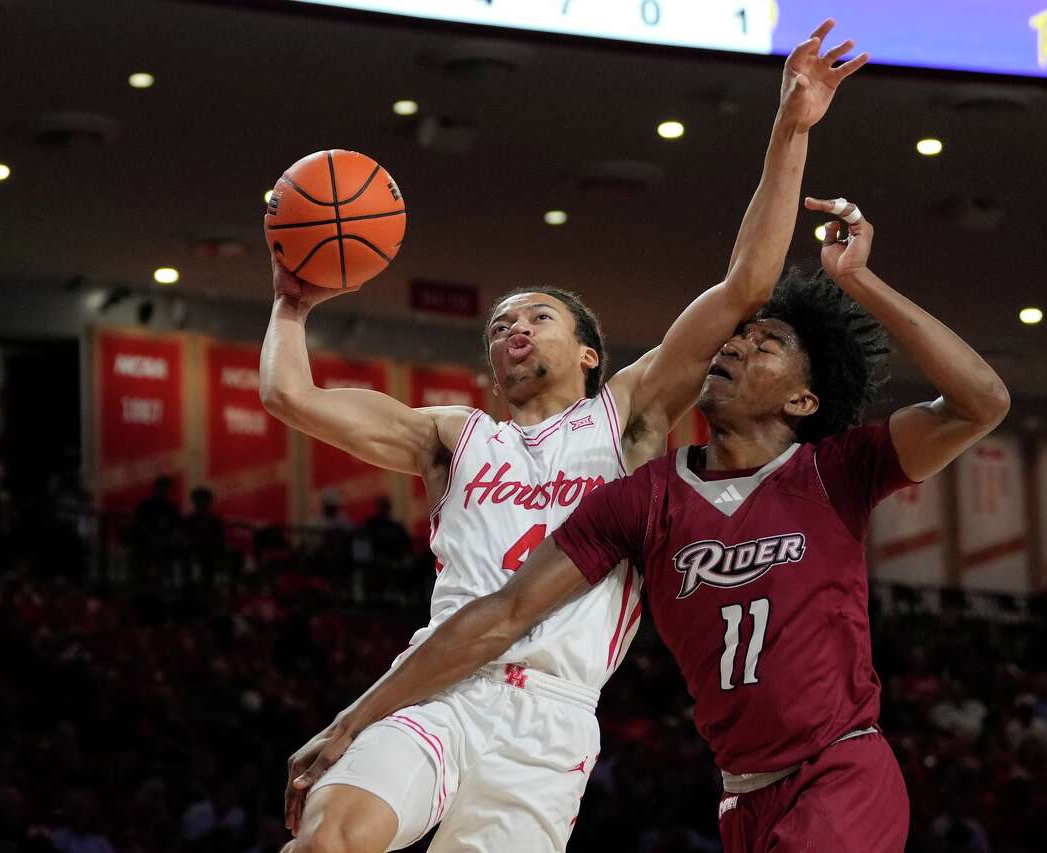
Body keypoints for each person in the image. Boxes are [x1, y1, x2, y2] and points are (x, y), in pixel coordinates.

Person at [263, 20, 867, 853]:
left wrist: (791, 128)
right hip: (437, 682)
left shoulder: (627, 416)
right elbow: (290, 395)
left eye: (536, 317)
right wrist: (291, 303)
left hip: (549, 722)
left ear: (588, 350)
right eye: (500, 324)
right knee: (330, 837)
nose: (513, 329)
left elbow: (744, 287)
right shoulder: (452, 434)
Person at [308, 197, 1010, 852]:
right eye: (736, 340)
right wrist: (353, 717)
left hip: (841, 766)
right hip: (742, 794)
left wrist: (860, 282)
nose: (733, 347)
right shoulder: (645, 496)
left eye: (763, 345)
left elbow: (981, 402)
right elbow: (506, 610)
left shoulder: (837, 472)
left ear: (803, 397)